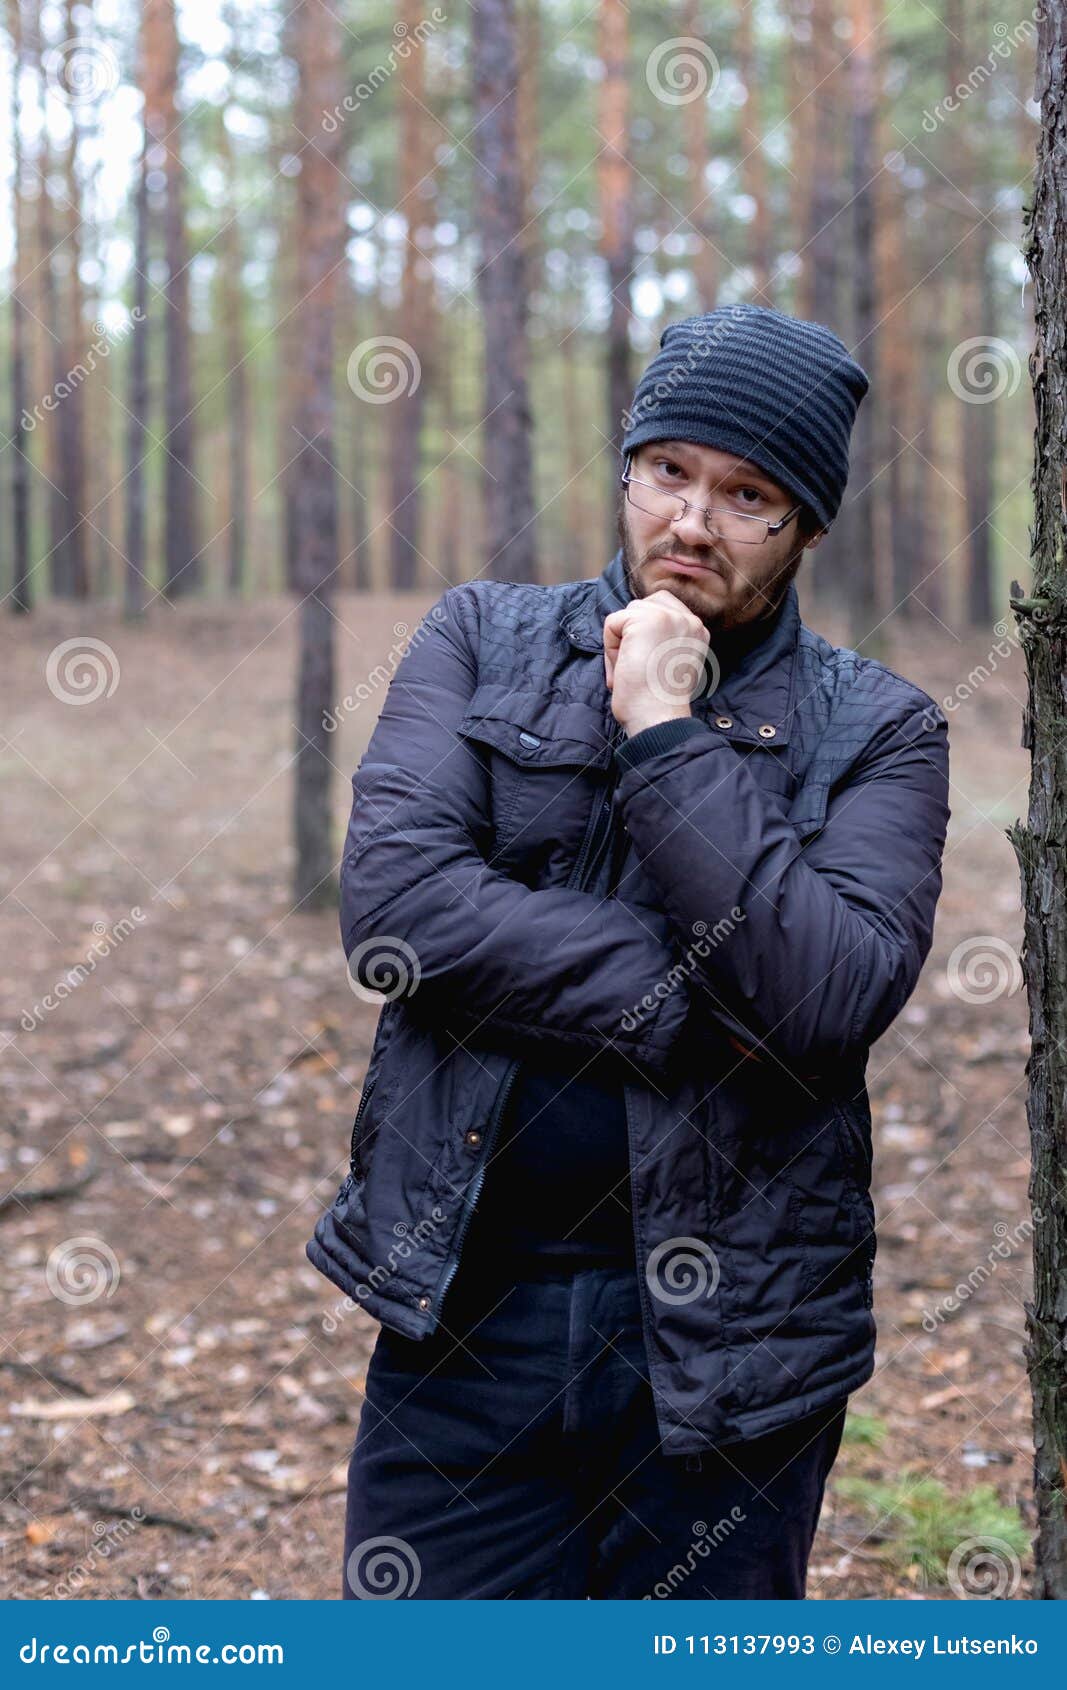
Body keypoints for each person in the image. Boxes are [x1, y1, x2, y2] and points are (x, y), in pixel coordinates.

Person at [306, 303, 951, 1600]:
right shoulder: (482, 637)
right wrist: (699, 993)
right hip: (467, 1317)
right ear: (627, 473)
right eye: (669, 472)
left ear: (808, 524)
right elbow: (395, 909)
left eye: (749, 493)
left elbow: (826, 996)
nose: (693, 522)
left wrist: (663, 726)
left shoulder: (882, 728)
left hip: (734, 1348)